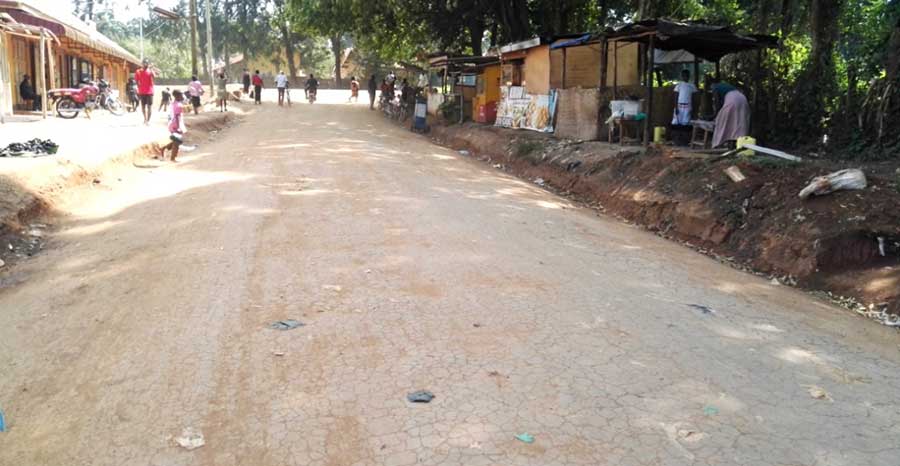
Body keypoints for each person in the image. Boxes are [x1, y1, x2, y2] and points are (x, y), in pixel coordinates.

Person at [711, 81, 751, 148]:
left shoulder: (715, 87)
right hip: (743, 99)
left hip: (733, 100)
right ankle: (736, 145)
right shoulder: (725, 86)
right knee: (738, 122)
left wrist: (715, 115)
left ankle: (718, 144)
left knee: (721, 122)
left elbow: (717, 104)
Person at [158, 90, 186, 162]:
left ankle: (163, 149)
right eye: (181, 95)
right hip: (176, 124)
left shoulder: (173, 104)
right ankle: (173, 158)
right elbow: (177, 117)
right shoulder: (178, 105)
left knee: (176, 141)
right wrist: (179, 127)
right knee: (177, 142)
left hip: (171, 123)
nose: (183, 96)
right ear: (177, 96)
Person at [135, 58, 158, 125]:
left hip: (150, 91)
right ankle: (145, 119)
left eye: (147, 63)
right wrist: (138, 88)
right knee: (143, 106)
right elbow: (136, 81)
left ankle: (148, 120)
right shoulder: (138, 71)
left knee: (149, 106)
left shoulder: (150, 71)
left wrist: (151, 69)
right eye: (144, 63)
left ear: (148, 64)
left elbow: (154, 77)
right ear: (142, 64)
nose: (146, 64)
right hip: (142, 91)